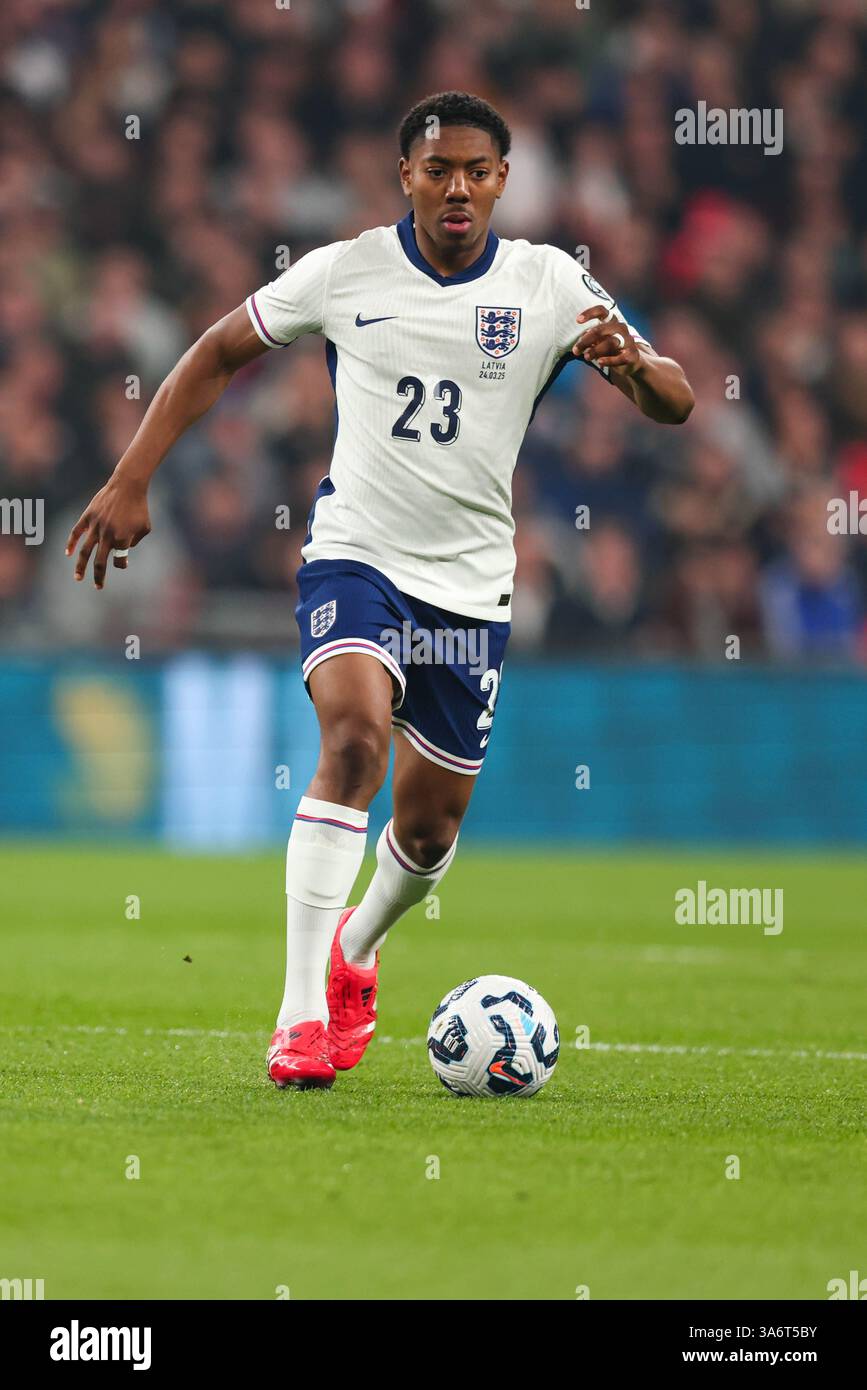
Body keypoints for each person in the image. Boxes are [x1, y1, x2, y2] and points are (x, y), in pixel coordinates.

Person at [66, 91, 694, 1090]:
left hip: (472, 589)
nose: (456, 186)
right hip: (355, 557)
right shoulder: (347, 269)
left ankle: (355, 949)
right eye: (436, 167)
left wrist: (636, 367)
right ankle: (298, 1015)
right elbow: (217, 350)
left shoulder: (546, 282)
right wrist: (130, 478)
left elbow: (676, 399)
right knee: (353, 741)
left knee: (428, 827)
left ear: (501, 180)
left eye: (476, 170)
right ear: (405, 174)